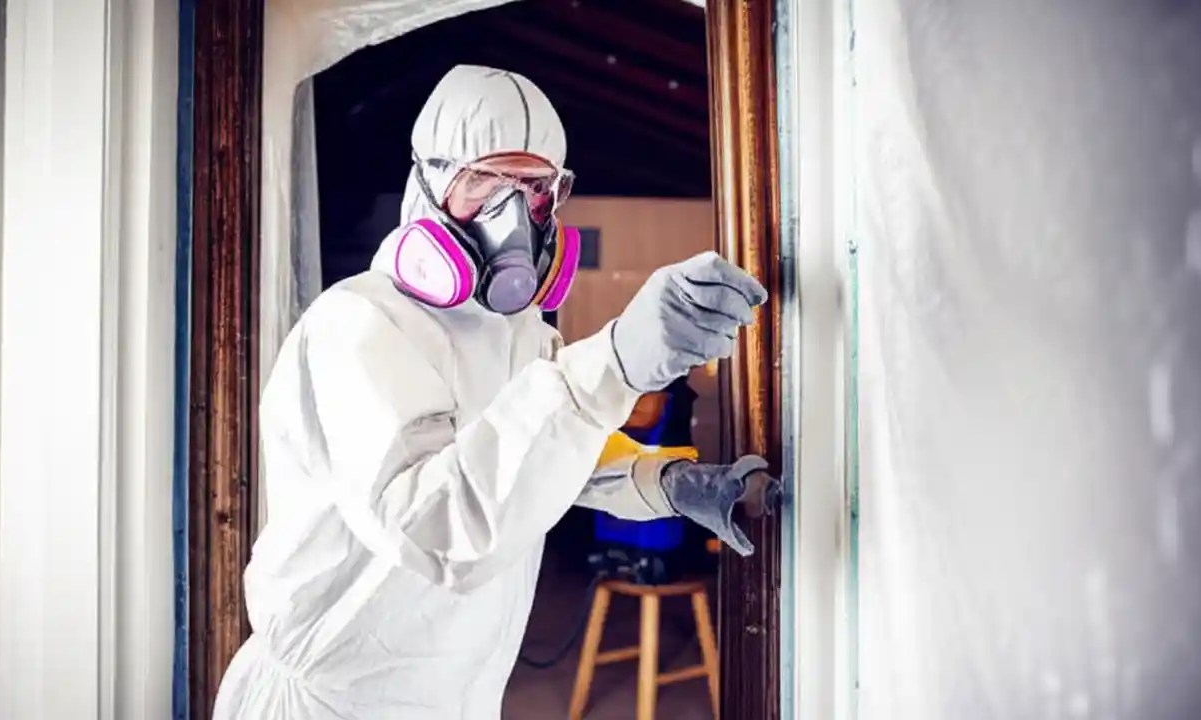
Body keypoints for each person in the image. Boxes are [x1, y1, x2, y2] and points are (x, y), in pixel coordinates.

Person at [213, 65, 779, 719]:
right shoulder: (358, 326)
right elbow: (438, 526)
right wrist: (616, 361)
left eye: (534, 189)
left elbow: (545, 458)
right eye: (484, 181)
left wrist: (665, 482)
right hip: (329, 702)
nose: (511, 216)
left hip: (459, 698)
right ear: (426, 184)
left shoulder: (519, 333)